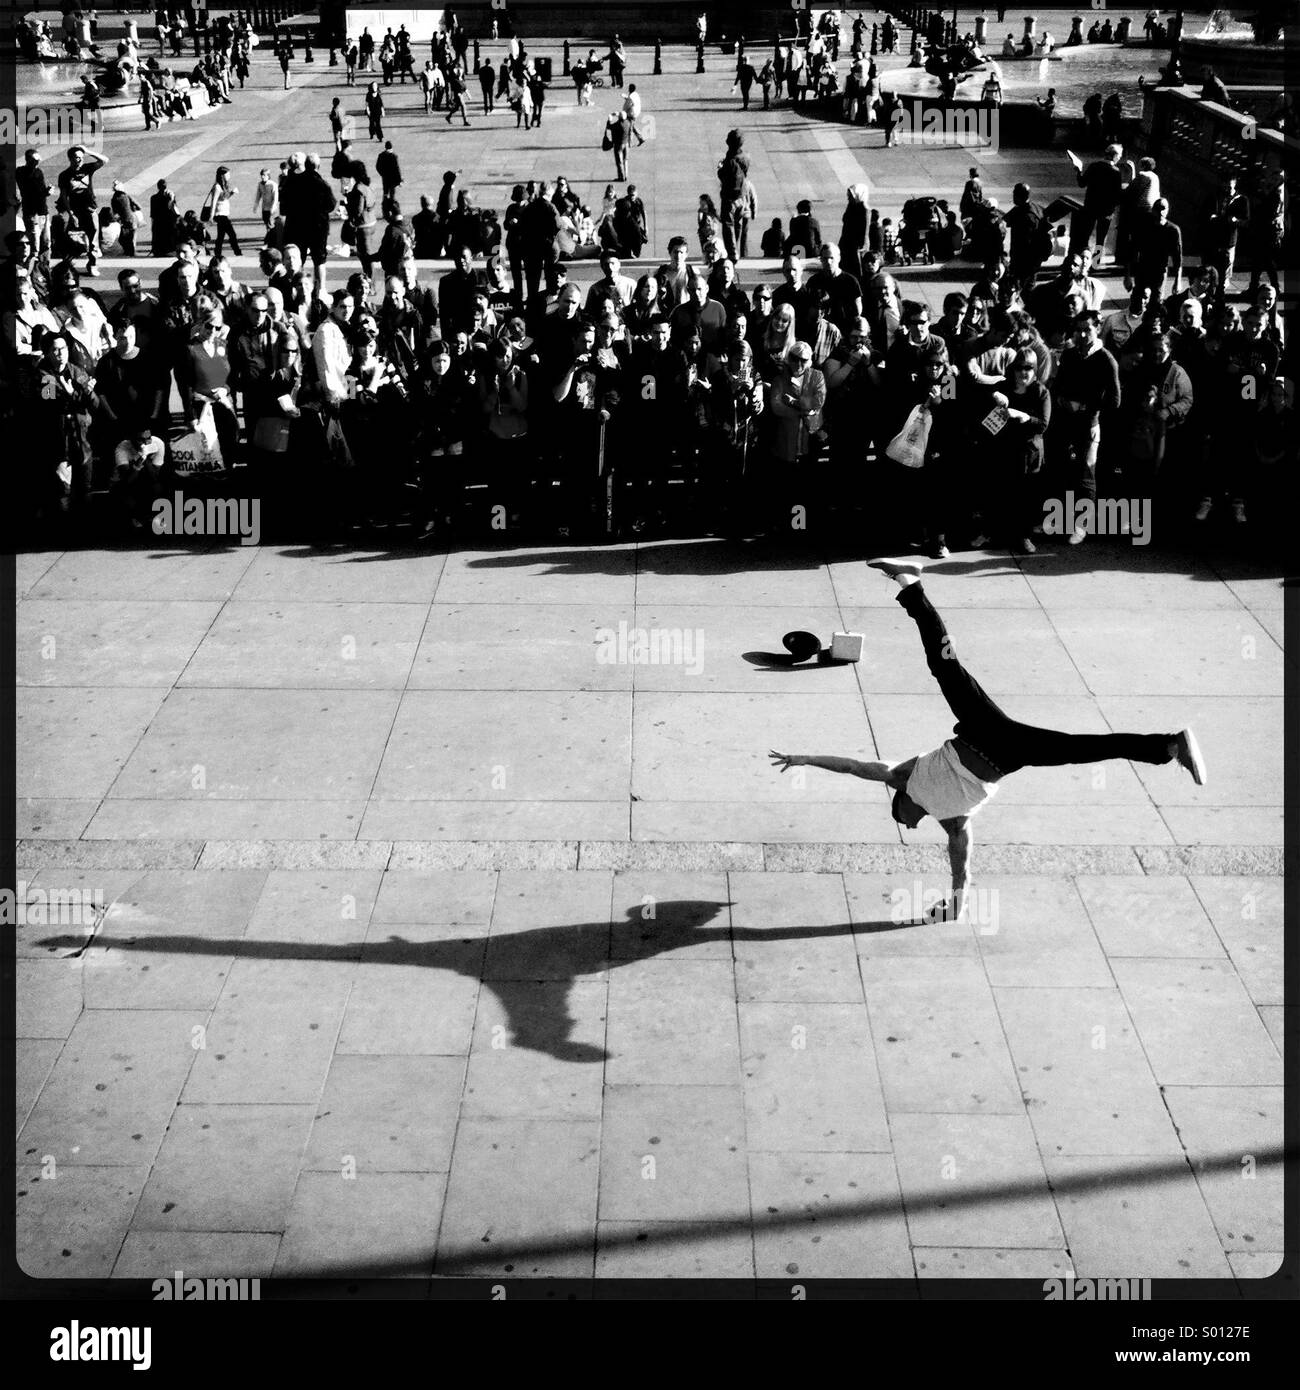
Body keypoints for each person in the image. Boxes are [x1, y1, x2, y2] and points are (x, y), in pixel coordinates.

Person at [770, 561, 1207, 923]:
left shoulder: (899, 778)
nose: (905, 826)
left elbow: (851, 766)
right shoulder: (949, 821)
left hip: (979, 730)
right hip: (1008, 753)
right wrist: (958, 901)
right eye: (906, 824)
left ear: (901, 803)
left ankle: (910, 583)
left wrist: (803, 758)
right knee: (1085, 748)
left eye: (901, 819)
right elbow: (961, 858)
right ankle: (1169, 747)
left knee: (944, 664)